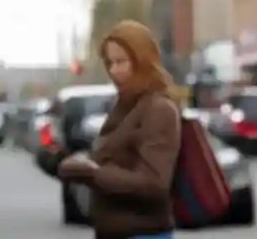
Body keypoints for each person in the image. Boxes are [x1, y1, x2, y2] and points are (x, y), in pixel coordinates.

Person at [57, 20, 182, 239]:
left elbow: (154, 183)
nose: (114, 71)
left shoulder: (158, 108)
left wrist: (93, 174)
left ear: (141, 60)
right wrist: (61, 161)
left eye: (121, 61)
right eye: (110, 63)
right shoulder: (124, 104)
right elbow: (113, 159)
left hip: (144, 233)